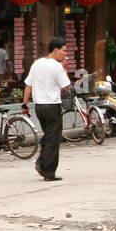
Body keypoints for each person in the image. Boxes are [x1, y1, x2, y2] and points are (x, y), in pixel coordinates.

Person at [22, 37, 70, 182]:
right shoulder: (56, 66)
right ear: (55, 50)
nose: (65, 54)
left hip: (39, 107)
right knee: (53, 139)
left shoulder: (37, 64)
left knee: (48, 136)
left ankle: (41, 163)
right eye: (63, 50)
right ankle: (48, 172)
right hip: (52, 106)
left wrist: (25, 103)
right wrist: (64, 69)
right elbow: (66, 86)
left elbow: (28, 85)